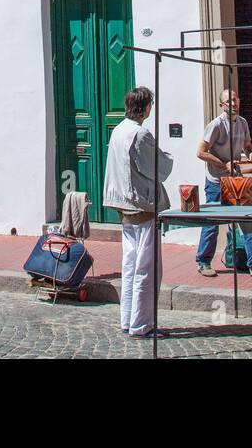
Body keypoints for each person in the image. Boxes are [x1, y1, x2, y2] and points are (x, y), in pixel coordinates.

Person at [102, 86, 172, 340]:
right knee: (146, 269)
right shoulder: (140, 134)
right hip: (143, 206)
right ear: (145, 107)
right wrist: (167, 157)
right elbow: (160, 169)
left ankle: (128, 319)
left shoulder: (119, 130)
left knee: (130, 267)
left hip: (125, 207)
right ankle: (142, 324)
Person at [195, 89, 252, 277]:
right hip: (216, 180)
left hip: (237, 181)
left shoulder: (243, 123)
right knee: (212, 222)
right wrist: (223, 164)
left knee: (248, 219)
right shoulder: (215, 125)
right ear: (221, 105)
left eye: (235, 100)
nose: (233, 104)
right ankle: (203, 261)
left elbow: (247, 145)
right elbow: (201, 152)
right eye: (228, 101)